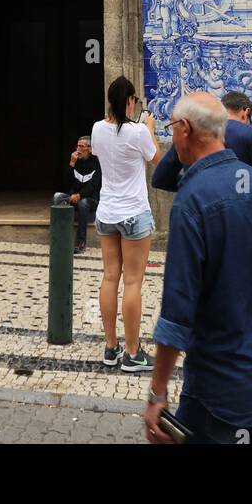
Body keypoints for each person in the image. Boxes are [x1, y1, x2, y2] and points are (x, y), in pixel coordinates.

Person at [144, 92, 252, 445]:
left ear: (184, 129)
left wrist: (158, 392)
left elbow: (177, 310)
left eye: (172, 128)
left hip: (218, 387)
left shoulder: (192, 200)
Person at [91, 76, 161, 374]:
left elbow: (101, 151)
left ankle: (111, 346)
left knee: (110, 277)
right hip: (133, 213)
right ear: (131, 100)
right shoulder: (138, 132)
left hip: (106, 212)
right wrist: (151, 130)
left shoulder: (96, 128)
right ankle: (133, 352)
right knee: (133, 282)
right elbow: (156, 159)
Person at [152, 90, 252, 194]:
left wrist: (195, 183)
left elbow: (160, 178)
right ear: (245, 112)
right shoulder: (250, 134)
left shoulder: (191, 132)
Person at [52, 135, 102, 255]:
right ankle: (59, 239)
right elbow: (65, 184)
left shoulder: (97, 163)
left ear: (89, 149)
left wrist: (79, 195)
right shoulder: (76, 162)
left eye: (81, 146)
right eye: (77, 146)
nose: (78, 149)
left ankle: (81, 243)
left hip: (91, 200)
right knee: (57, 197)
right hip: (74, 197)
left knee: (83, 203)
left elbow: (94, 186)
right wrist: (72, 163)